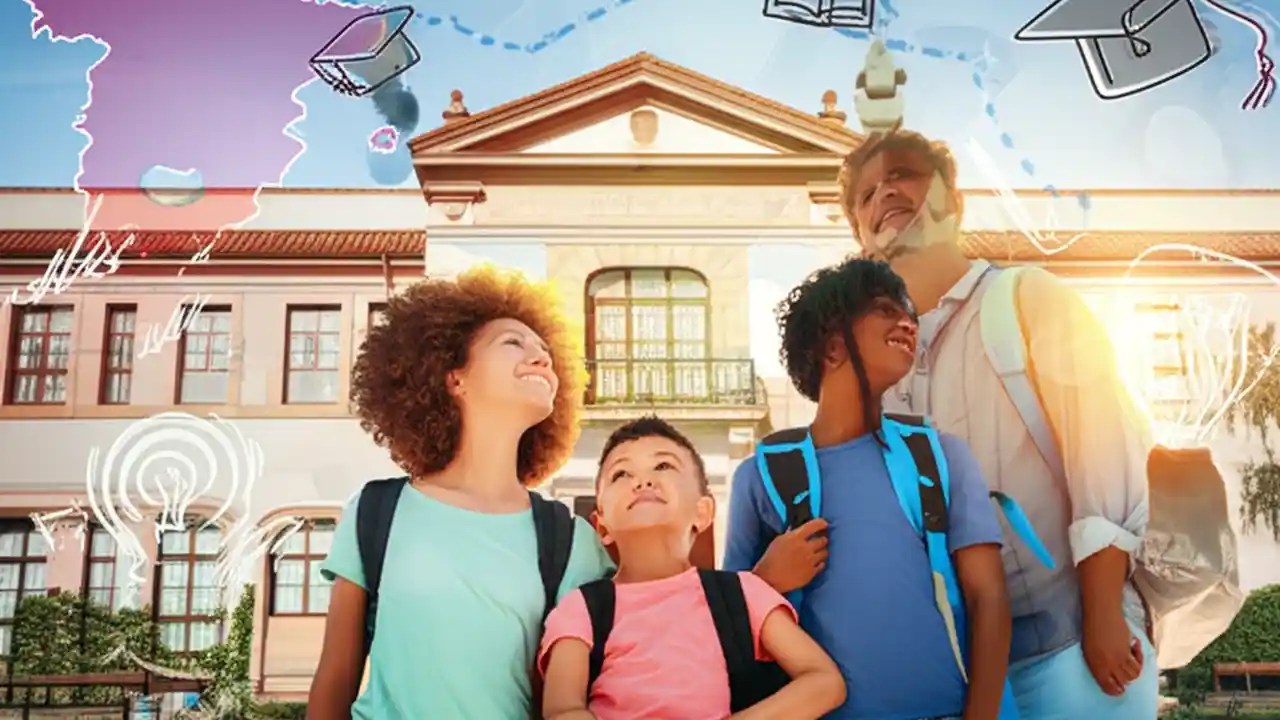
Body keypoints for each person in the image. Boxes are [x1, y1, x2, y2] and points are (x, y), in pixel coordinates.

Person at [839, 127, 1157, 719]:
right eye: (866, 193)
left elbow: (1102, 457)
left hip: (1074, 648)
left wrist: (1104, 613)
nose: (884, 193)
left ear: (953, 202)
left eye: (904, 175)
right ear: (859, 234)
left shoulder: (1028, 298)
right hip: (955, 673)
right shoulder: (870, 367)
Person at [308, 267, 614, 719]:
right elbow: (335, 678)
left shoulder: (570, 541)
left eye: (545, 350)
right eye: (514, 343)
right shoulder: (376, 513)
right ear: (454, 378)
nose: (540, 358)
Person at [724, 258, 1012, 720]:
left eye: (909, 312)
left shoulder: (941, 458)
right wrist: (766, 582)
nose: (907, 321)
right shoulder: (761, 475)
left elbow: (989, 598)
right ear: (833, 347)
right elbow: (729, 629)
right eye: (884, 308)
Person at [540, 416, 846, 720]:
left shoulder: (744, 592)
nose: (642, 481)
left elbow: (824, 682)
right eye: (621, 473)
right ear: (601, 524)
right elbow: (562, 709)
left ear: (703, 511)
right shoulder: (580, 609)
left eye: (663, 466)